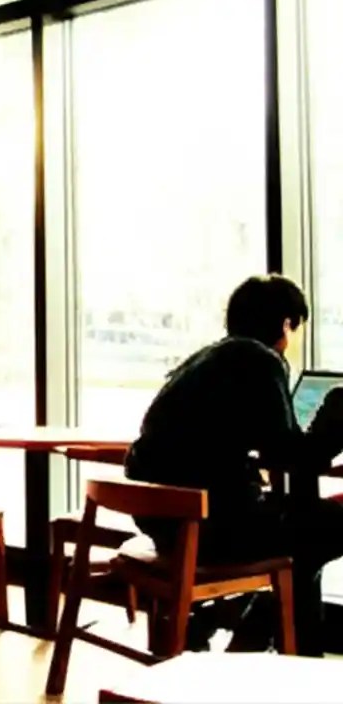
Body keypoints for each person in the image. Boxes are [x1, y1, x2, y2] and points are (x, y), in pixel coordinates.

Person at [125, 274, 343, 655]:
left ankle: (241, 634)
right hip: (208, 529)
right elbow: (290, 456)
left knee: (305, 537)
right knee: (325, 528)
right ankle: (265, 646)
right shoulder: (259, 360)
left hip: (167, 522)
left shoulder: (208, 358)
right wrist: (336, 417)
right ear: (285, 324)